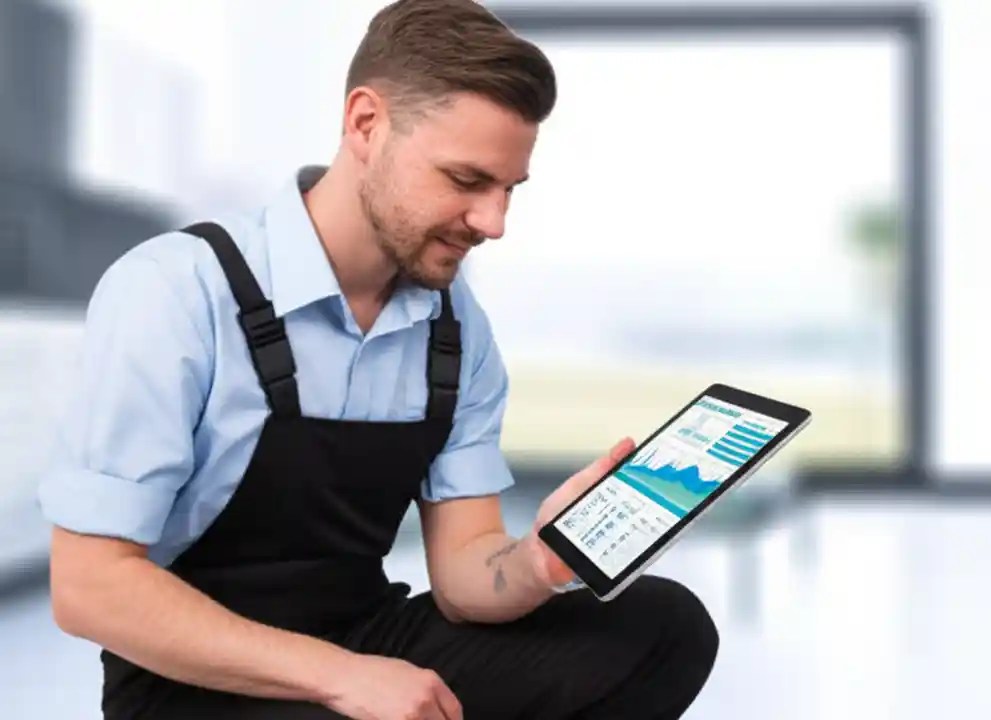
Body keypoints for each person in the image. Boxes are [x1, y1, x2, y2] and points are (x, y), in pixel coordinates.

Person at [37, 1, 719, 718]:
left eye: (508, 191)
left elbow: (462, 579)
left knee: (662, 626)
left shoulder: (456, 330)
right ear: (366, 123)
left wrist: (539, 562)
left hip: (363, 638)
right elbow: (90, 587)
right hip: (194, 684)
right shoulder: (176, 290)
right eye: (466, 181)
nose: (493, 223)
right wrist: (339, 677)